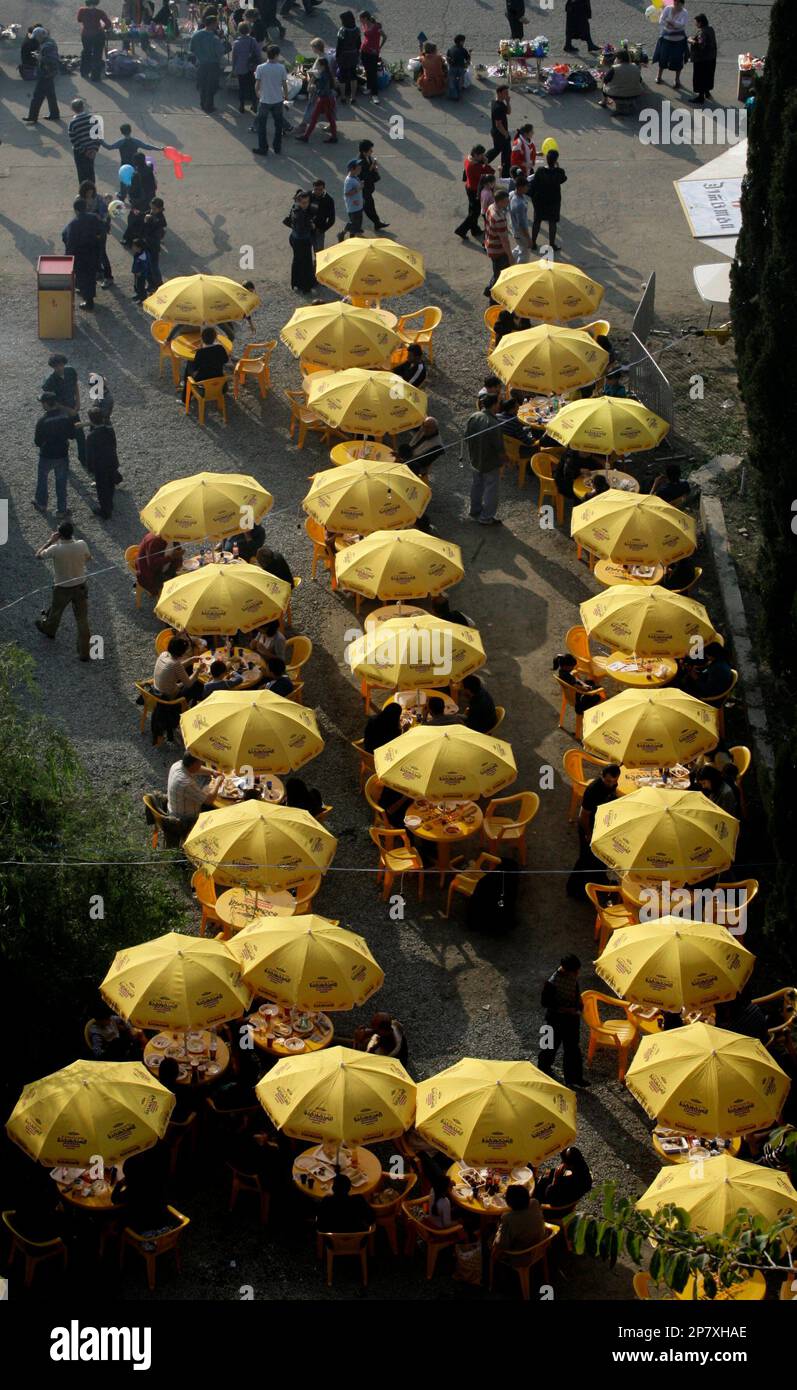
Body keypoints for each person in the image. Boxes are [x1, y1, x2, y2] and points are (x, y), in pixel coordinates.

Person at [34, 521, 91, 660]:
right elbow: (88, 558)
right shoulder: (82, 544)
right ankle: (85, 653)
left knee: (56, 611)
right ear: (72, 532)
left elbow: (38, 555)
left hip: (62, 587)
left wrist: (49, 541)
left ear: (59, 534)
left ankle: (49, 629)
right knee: (82, 619)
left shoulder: (55, 549)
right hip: (80, 586)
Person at [538, 954, 588, 1087]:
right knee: (549, 1046)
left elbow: (576, 992)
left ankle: (574, 1079)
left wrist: (579, 1006)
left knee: (573, 1050)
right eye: (575, 971)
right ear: (567, 970)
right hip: (555, 1019)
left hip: (571, 1019)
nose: (577, 973)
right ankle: (543, 1070)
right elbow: (545, 1002)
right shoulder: (552, 983)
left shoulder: (571, 976)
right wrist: (566, 1010)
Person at [33, 394, 76, 517]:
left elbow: (37, 442)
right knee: (61, 483)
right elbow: (72, 435)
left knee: (42, 480)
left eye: (42, 402)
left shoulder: (42, 421)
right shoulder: (65, 417)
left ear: (46, 404)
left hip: (46, 455)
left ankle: (41, 503)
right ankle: (61, 510)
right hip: (62, 455)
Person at [41, 354, 87, 469]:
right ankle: (62, 463)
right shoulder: (49, 381)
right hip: (59, 415)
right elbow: (52, 402)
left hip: (73, 410)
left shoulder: (70, 371)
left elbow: (75, 385)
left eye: (61, 365)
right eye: (56, 366)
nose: (59, 368)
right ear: (53, 367)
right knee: (62, 439)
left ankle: (84, 460)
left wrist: (78, 403)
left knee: (80, 436)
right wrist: (69, 410)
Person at [465, 393, 504, 526]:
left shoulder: (473, 416)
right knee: (491, 490)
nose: (499, 405)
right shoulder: (493, 423)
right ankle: (486, 517)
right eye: (498, 402)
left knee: (476, 485)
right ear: (493, 405)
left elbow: (466, 437)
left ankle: (474, 510)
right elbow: (499, 448)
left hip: (475, 459)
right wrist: (506, 460)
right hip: (490, 463)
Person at [101, 123, 163, 197]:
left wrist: (100, 141)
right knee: (135, 180)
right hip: (135, 165)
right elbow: (147, 146)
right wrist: (159, 149)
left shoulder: (121, 142)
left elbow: (109, 147)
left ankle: (122, 195)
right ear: (130, 131)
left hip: (124, 164)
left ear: (122, 132)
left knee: (123, 180)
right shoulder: (136, 141)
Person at [62, 197, 102, 311]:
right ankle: (90, 297)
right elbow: (101, 231)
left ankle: (88, 301)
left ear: (76, 210)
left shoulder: (73, 224)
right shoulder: (94, 218)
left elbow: (69, 241)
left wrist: (68, 257)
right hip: (93, 252)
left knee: (83, 278)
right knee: (91, 276)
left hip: (80, 256)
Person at [167, 753, 223, 833]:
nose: (201, 765)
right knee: (216, 811)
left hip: (175, 808)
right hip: (184, 818)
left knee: (206, 788)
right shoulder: (186, 783)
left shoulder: (177, 765)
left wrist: (212, 772)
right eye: (200, 763)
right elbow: (209, 801)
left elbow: (197, 769)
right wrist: (217, 783)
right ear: (193, 764)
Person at [85, 407, 119, 518]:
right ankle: (110, 504)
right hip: (112, 461)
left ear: (92, 420)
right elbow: (114, 444)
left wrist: (90, 467)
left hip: (101, 466)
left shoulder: (92, 436)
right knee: (110, 485)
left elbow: (90, 454)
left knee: (102, 489)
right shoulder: (109, 430)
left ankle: (105, 511)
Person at [530, 149, 566, 251]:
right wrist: (557, 167)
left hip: (540, 201)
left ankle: (533, 243)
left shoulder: (540, 171)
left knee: (537, 222)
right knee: (552, 222)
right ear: (555, 160)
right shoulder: (559, 172)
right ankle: (552, 244)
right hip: (553, 202)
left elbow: (534, 184)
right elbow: (563, 179)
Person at [455, 146, 493, 242]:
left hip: (469, 187)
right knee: (474, 213)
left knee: (472, 210)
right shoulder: (476, 166)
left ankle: (474, 230)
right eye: (481, 155)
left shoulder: (469, 160)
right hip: (475, 190)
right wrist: (486, 163)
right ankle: (461, 230)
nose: (483, 156)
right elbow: (490, 172)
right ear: (476, 155)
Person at [23, 28, 61, 123]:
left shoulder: (48, 46)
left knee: (37, 96)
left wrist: (39, 57)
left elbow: (51, 60)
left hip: (45, 74)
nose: (36, 39)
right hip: (50, 73)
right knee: (50, 94)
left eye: (36, 37)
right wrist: (40, 55)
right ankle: (54, 114)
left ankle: (32, 117)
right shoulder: (49, 42)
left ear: (40, 36)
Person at [298, 58, 339, 144]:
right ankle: (334, 136)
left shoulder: (323, 75)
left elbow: (322, 88)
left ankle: (306, 136)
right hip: (329, 98)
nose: (318, 67)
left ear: (323, 66)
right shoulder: (328, 74)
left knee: (314, 118)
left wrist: (315, 88)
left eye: (319, 65)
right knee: (330, 118)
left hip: (323, 99)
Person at [79, 180, 113, 285]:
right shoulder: (79, 200)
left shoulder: (98, 199)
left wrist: (100, 217)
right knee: (92, 252)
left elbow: (105, 213)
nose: (90, 194)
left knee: (102, 252)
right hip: (87, 231)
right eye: (87, 192)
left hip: (99, 229)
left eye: (91, 191)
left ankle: (108, 277)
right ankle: (98, 271)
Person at [190, 14, 225, 113]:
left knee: (202, 85)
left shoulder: (196, 35)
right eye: (216, 23)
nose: (217, 25)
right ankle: (209, 106)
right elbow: (220, 52)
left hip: (201, 64)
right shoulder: (214, 38)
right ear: (212, 24)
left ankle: (202, 103)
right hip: (213, 65)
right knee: (211, 87)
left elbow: (191, 49)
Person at [183, 325, 230, 400]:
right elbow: (225, 360)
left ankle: (185, 398)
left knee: (189, 364)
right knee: (193, 364)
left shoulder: (200, 352)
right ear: (215, 337)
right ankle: (186, 384)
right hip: (218, 376)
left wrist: (199, 352)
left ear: (202, 339)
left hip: (202, 380)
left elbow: (195, 367)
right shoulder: (220, 348)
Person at [154, 635, 204, 702]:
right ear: (182, 652)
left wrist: (191, 660)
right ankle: (197, 703)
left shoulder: (164, 654)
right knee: (197, 684)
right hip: (169, 697)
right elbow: (188, 684)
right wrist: (198, 669)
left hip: (158, 691)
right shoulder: (175, 664)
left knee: (190, 673)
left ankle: (194, 701)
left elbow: (176, 668)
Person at [287, 190, 318, 293]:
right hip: (300, 240)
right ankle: (305, 286)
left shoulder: (296, 207)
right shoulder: (298, 213)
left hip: (298, 238)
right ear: (299, 202)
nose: (306, 205)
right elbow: (301, 227)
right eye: (304, 203)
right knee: (304, 263)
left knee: (300, 261)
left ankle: (299, 283)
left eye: (307, 202)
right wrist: (311, 225)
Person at [654, 0, 690, 88]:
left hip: (679, 40)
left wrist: (670, 23)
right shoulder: (668, 8)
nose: (675, 5)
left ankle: (677, 80)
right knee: (663, 57)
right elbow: (661, 20)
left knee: (678, 60)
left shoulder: (684, 12)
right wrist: (671, 24)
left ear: (682, 4)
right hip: (666, 38)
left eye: (678, 3)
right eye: (675, 2)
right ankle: (659, 76)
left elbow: (682, 24)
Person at [136, 532, 182, 596]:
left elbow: (177, 550)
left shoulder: (173, 536)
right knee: (175, 589)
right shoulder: (154, 540)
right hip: (151, 574)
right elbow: (152, 564)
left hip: (165, 569)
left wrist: (179, 556)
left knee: (184, 581)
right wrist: (171, 557)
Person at [68, 98, 102, 184]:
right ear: (83, 107)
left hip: (80, 153)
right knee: (90, 171)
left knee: (82, 173)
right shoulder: (93, 119)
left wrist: (85, 151)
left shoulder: (73, 123)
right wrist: (94, 150)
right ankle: (92, 191)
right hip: (92, 151)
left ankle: (84, 192)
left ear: (73, 109)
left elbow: (74, 141)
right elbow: (98, 136)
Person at [358, 140, 389, 230]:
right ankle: (376, 223)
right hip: (364, 190)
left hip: (368, 188)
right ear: (364, 151)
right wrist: (371, 168)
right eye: (370, 150)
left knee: (367, 207)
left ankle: (376, 223)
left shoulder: (368, 157)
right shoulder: (360, 162)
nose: (372, 151)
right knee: (368, 207)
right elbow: (362, 177)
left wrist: (374, 168)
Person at [232, 22, 262, 113]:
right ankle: (254, 105)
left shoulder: (236, 43)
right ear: (249, 30)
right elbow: (258, 54)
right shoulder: (252, 41)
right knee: (253, 87)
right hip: (252, 68)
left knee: (242, 87)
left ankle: (241, 106)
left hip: (240, 68)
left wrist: (234, 68)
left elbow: (234, 57)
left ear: (239, 31)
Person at [77, 0, 112, 80]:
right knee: (97, 55)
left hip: (86, 34)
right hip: (98, 35)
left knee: (86, 52)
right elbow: (108, 23)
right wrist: (103, 27)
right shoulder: (100, 12)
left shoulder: (82, 11)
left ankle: (84, 71)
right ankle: (95, 76)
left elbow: (79, 20)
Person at [359, 11, 385, 104]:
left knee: (373, 72)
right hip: (364, 51)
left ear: (365, 18)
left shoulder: (376, 27)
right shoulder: (365, 25)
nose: (360, 21)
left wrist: (379, 47)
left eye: (361, 19)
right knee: (367, 70)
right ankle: (369, 87)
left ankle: (375, 94)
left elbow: (384, 37)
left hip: (373, 53)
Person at [689, 13, 716, 103]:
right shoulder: (710, 29)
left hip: (702, 60)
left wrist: (691, 41)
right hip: (711, 58)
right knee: (708, 76)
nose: (695, 24)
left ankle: (700, 97)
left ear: (700, 23)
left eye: (696, 22)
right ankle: (707, 92)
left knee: (699, 77)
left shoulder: (702, 32)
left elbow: (700, 45)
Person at [336, 11, 362, 104]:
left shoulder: (342, 30)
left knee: (342, 76)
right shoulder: (357, 29)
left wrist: (337, 57)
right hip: (353, 55)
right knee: (353, 76)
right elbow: (359, 44)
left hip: (344, 56)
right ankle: (353, 97)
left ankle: (343, 97)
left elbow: (339, 46)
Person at [486, 85, 512, 178]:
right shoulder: (497, 107)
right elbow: (498, 124)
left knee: (497, 150)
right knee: (506, 153)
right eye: (505, 93)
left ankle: (483, 161)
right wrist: (506, 134)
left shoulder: (500, 103)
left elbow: (508, 112)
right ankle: (505, 174)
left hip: (498, 132)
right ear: (499, 93)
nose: (507, 95)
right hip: (499, 133)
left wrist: (508, 102)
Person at [509, 176, 534, 262]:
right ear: (520, 187)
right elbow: (522, 225)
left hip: (514, 228)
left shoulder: (512, 194)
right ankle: (521, 269)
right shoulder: (520, 204)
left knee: (520, 247)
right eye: (526, 186)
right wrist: (529, 239)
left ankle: (509, 260)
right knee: (525, 253)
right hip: (520, 232)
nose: (528, 188)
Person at [338, 159, 364, 240]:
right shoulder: (349, 181)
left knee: (356, 223)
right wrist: (359, 188)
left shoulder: (355, 177)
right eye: (358, 168)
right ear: (352, 169)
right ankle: (344, 233)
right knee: (355, 224)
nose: (360, 169)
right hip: (353, 207)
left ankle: (348, 233)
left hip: (358, 205)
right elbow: (347, 193)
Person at [310, 179, 336, 251]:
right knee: (306, 249)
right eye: (316, 189)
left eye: (320, 189)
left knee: (319, 251)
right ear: (313, 188)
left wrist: (322, 229)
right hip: (308, 227)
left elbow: (332, 219)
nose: (318, 191)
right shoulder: (309, 195)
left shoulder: (329, 200)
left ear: (324, 189)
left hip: (319, 229)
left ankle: (318, 262)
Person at [446, 33, 470, 101]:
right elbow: (468, 59)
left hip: (452, 67)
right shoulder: (463, 50)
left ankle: (453, 95)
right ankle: (458, 94)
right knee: (460, 81)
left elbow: (447, 58)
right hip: (460, 68)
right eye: (463, 41)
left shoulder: (450, 49)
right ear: (461, 42)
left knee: (452, 81)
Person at [130, 238, 156, 304]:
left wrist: (140, 272)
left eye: (134, 246)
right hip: (137, 273)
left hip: (141, 275)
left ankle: (143, 298)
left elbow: (145, 267)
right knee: (136, 285)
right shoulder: (138, 253)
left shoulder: (143, 256)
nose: (132, 247)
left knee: (140, 286)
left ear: (139, 248)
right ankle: (138, 294)